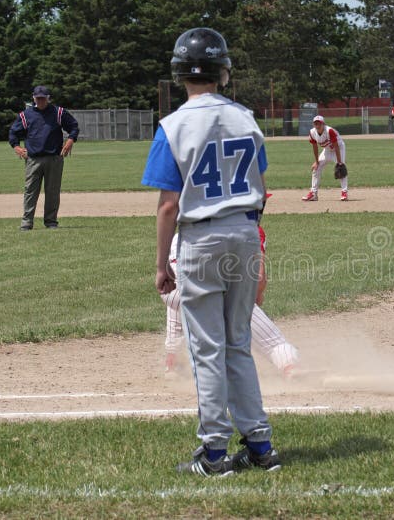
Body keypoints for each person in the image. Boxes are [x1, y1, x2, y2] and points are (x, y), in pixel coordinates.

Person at [141, 27, 279, 477]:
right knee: (239, 343)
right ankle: (260, 446)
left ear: (179, 71)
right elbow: (260, 190)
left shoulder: (173, 125)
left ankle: (215, 453)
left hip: (201, 238)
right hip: (244, 232)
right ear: (223, 71)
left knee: (206, 349)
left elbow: (168, 205)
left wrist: (162, 264)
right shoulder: (247, 118)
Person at [162, 224, 301, 379]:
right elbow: (258, 276)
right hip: (211, 293)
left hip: (170, 292)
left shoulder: (188, 228)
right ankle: (290, 367)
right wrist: (255, 296)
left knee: (182, 292)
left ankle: (172, 362)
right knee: (274, 342)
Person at [8, 85, 79, 231]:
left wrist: (70, 140)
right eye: (38, 98)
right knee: (30, 191)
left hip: (54, 158)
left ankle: (51, 221)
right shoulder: (26, 115)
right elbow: (13, 133)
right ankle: (27, 222)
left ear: (48, 98)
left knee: (52, 191)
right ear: (33, 98)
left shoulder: (58, 112)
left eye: (43, 98)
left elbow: (73, 126)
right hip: (33, 159)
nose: (40, 101)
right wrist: (17, 147)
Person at [301, 115, 348, 202]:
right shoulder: (312, 133)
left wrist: (339, 162)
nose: (317, 125)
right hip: (327, 150)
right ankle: (313, 194)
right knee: (316, 168)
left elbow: (336, 146)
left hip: (338, 148)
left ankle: (344, 192)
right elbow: (315, 147)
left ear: (323, 124)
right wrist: (316, 162)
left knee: (341, 169)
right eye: (315, 123)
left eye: (319, 123)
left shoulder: (329, 131)